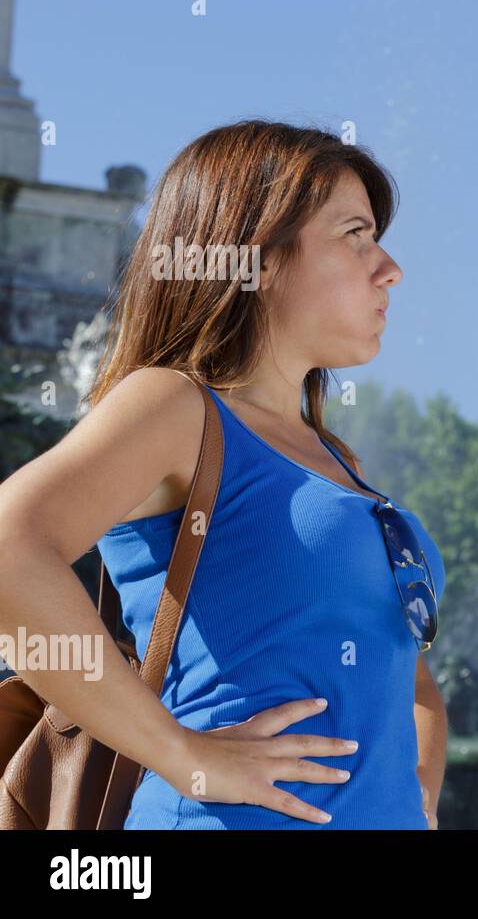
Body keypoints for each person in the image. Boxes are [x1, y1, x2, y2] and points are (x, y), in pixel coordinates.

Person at [0, 120, 447, 828]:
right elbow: (8, 550)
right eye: (354, 234)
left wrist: (415, 790)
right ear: (258, 258)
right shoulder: (175, 407)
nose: (388, 267)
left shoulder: (340, 463)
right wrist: (183, 754)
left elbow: (403, 672)